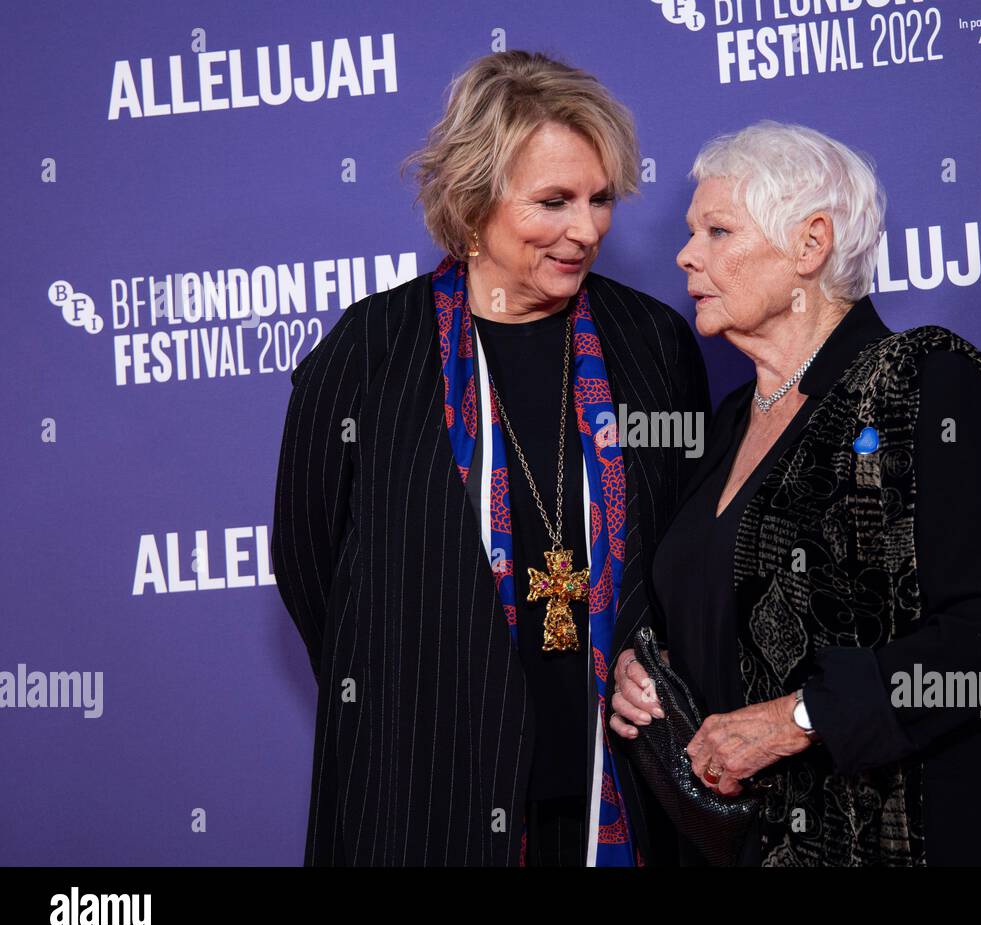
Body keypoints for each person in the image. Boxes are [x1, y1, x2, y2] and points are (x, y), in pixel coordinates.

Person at [608, 120, 981, 866]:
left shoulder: (925, 383)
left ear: (811, 246)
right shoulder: (720, 430)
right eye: (693, 232)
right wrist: (641, 671)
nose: (686, 255)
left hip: (913, 834)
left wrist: (800, 717)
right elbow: (703, 609)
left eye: (718, 230)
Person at [271, 51, 709, 866]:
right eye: (553, 201)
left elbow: (682, 552)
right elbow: (310, 564)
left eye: (599, 199)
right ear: (473, 206)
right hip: (423, 788)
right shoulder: (369, 354)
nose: (586, 229)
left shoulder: (652, 345)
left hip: (617, 786)